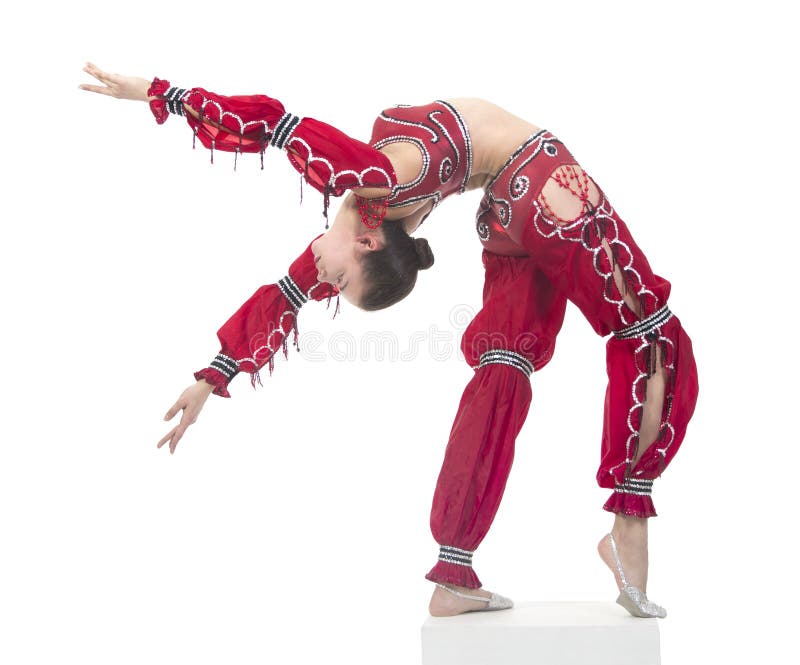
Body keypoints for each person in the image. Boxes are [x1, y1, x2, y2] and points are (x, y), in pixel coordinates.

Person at [79, 62, 699, 619]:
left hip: (512, 208)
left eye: (339, 280)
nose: (324, 277)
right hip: (538, 186)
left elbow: (275, 126)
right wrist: (211, 380)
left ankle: (455, 572)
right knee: (648, 332)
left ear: (369, 242)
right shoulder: (378, 199)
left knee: (509, 360)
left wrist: (157, 93)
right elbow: (287, 288)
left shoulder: (370, 189)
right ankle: (625, 526)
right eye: (338, 280)